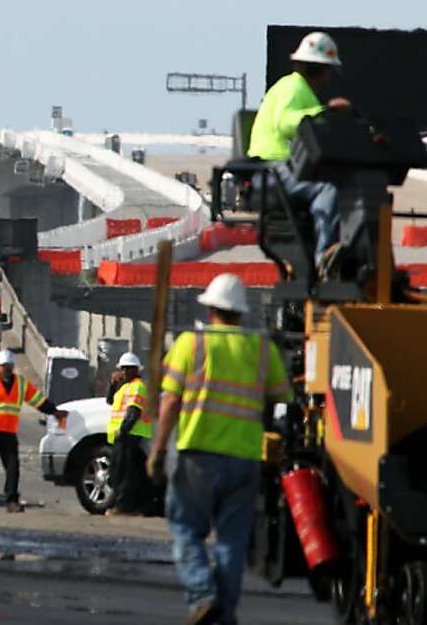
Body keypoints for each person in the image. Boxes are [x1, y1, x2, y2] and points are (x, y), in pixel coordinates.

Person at [146, 273, 293, 625]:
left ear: (210, 308)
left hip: (198, 454)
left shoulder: (191, 344)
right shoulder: (261, 349)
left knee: (184, 529)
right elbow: (282, 398)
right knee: (231, 542)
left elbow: (169, 403)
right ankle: (223, 616)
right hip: (245, 459)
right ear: (241, 313)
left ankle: (202, 594)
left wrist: (157, 450)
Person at [247, 31, 349, 266]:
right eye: (327, 71)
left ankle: (334, 247)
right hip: (272, 170)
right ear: (321, 70)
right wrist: (324, 113)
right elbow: (286, 122)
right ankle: (324, 257)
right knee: (328, 188)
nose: (327, 78)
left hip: (284, 171)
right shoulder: (293, 88)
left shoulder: (302, 92)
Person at [0, 349, 68, 513]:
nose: (6, 369)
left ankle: (11, 501)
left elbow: (38, 400)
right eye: (3, 366)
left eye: (9, 366)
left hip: (8, 433)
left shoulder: (20, 384)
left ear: (12, 367)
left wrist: (54, 411)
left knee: (13, 467)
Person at [105, 352, 152, 515]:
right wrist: (112, 384)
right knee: (122, 471)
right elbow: (110, 400)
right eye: (122, 369)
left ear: (134, 369)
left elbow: (134, 412)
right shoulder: (125, 387)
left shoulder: (138, 386)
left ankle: (122, 507)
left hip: (129, 435)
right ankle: (133, 506)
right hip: (123, 435)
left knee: (122, 473)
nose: (123, 372)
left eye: (126, 369)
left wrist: (123, 430)